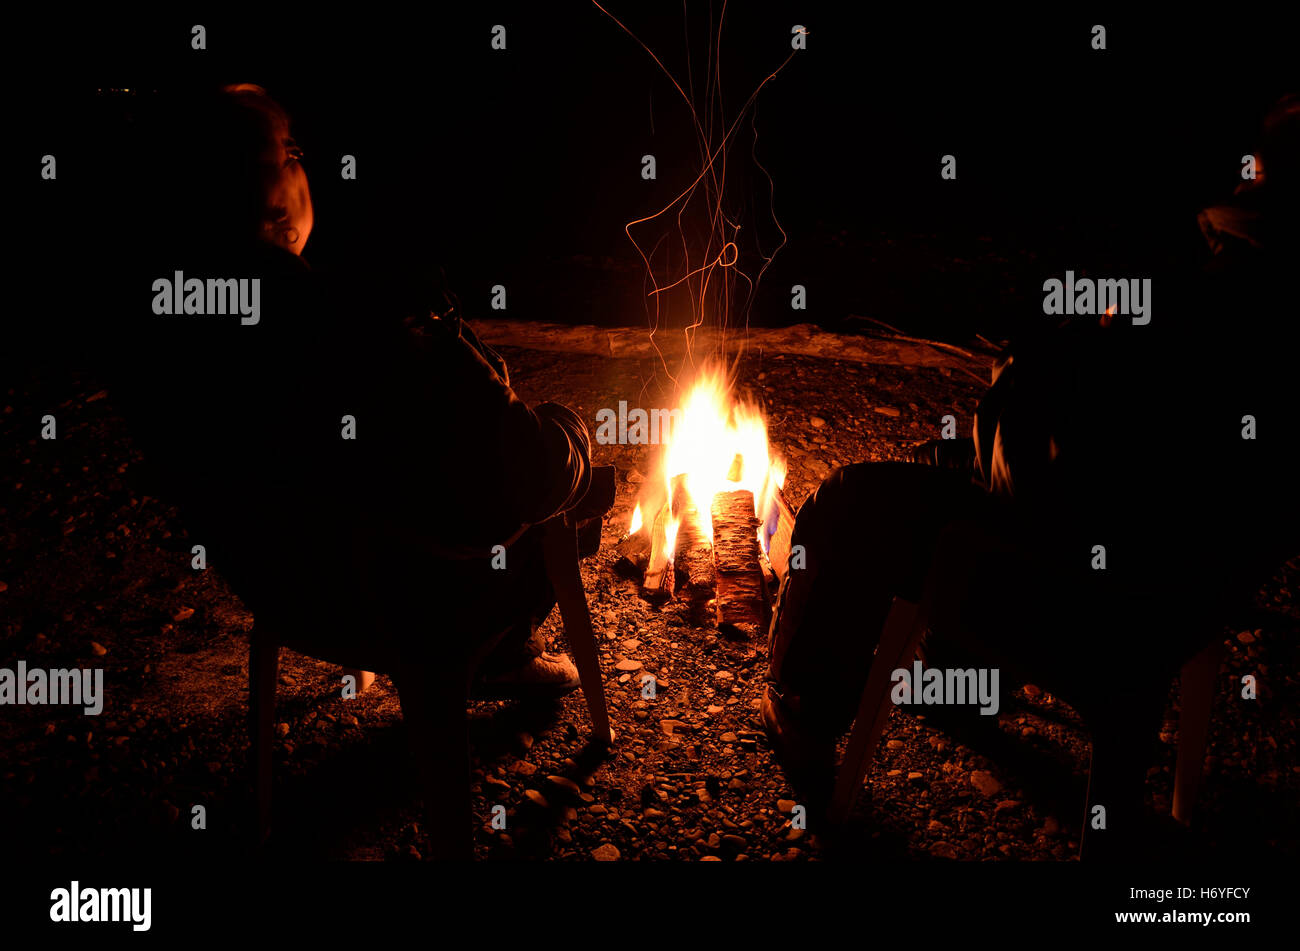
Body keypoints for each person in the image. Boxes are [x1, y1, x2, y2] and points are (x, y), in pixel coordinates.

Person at [761, 94, 1300, 836]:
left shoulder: (1206, 308)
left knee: (845, 500)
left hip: (1078, 588)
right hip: (1186, 586)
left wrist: (1030, 374)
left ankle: (801, 709)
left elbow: (1051, 480)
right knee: (934, 460)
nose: (1236, 187)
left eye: (1254, 177)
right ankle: (958, 683)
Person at [106, 84, 609, 698]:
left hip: (279, 584)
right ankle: (499, 654)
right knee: (573, 483)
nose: (304, 168)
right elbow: (535, 478)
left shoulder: (165, 327)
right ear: (268, 201)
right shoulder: (356, 322)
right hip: (397, 595)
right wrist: (563, 432)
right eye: (289, 152)